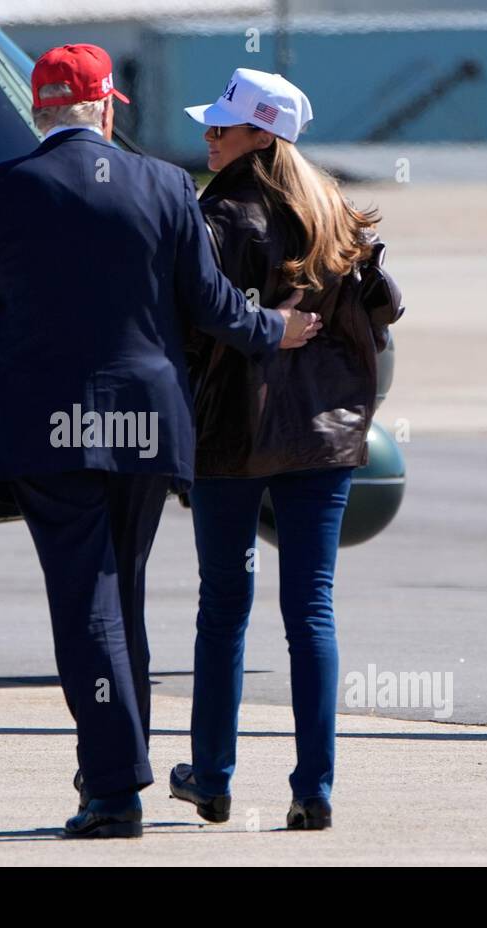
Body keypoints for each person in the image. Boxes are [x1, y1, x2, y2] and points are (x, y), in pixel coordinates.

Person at [0, 45, 321, 838]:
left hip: (46, 430)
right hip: (145, 426)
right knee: (117, 593)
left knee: (87, 601)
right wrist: (275, 330)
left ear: (39, 115)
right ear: (106, 111)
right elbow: (212, 307)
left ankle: (111, 788)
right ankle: (119, 757)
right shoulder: (166, 186)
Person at [169, 67, 403, 830]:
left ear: (261, 136)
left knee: (223, 607)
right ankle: (315, 789)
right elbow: (387, 306)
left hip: (230, 436)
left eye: (220, 127)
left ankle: (211, 776)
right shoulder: (335, 214)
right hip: (323, 436)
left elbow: (191, 325)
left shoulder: (218, 216)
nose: (208, 136)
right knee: (311, 610)